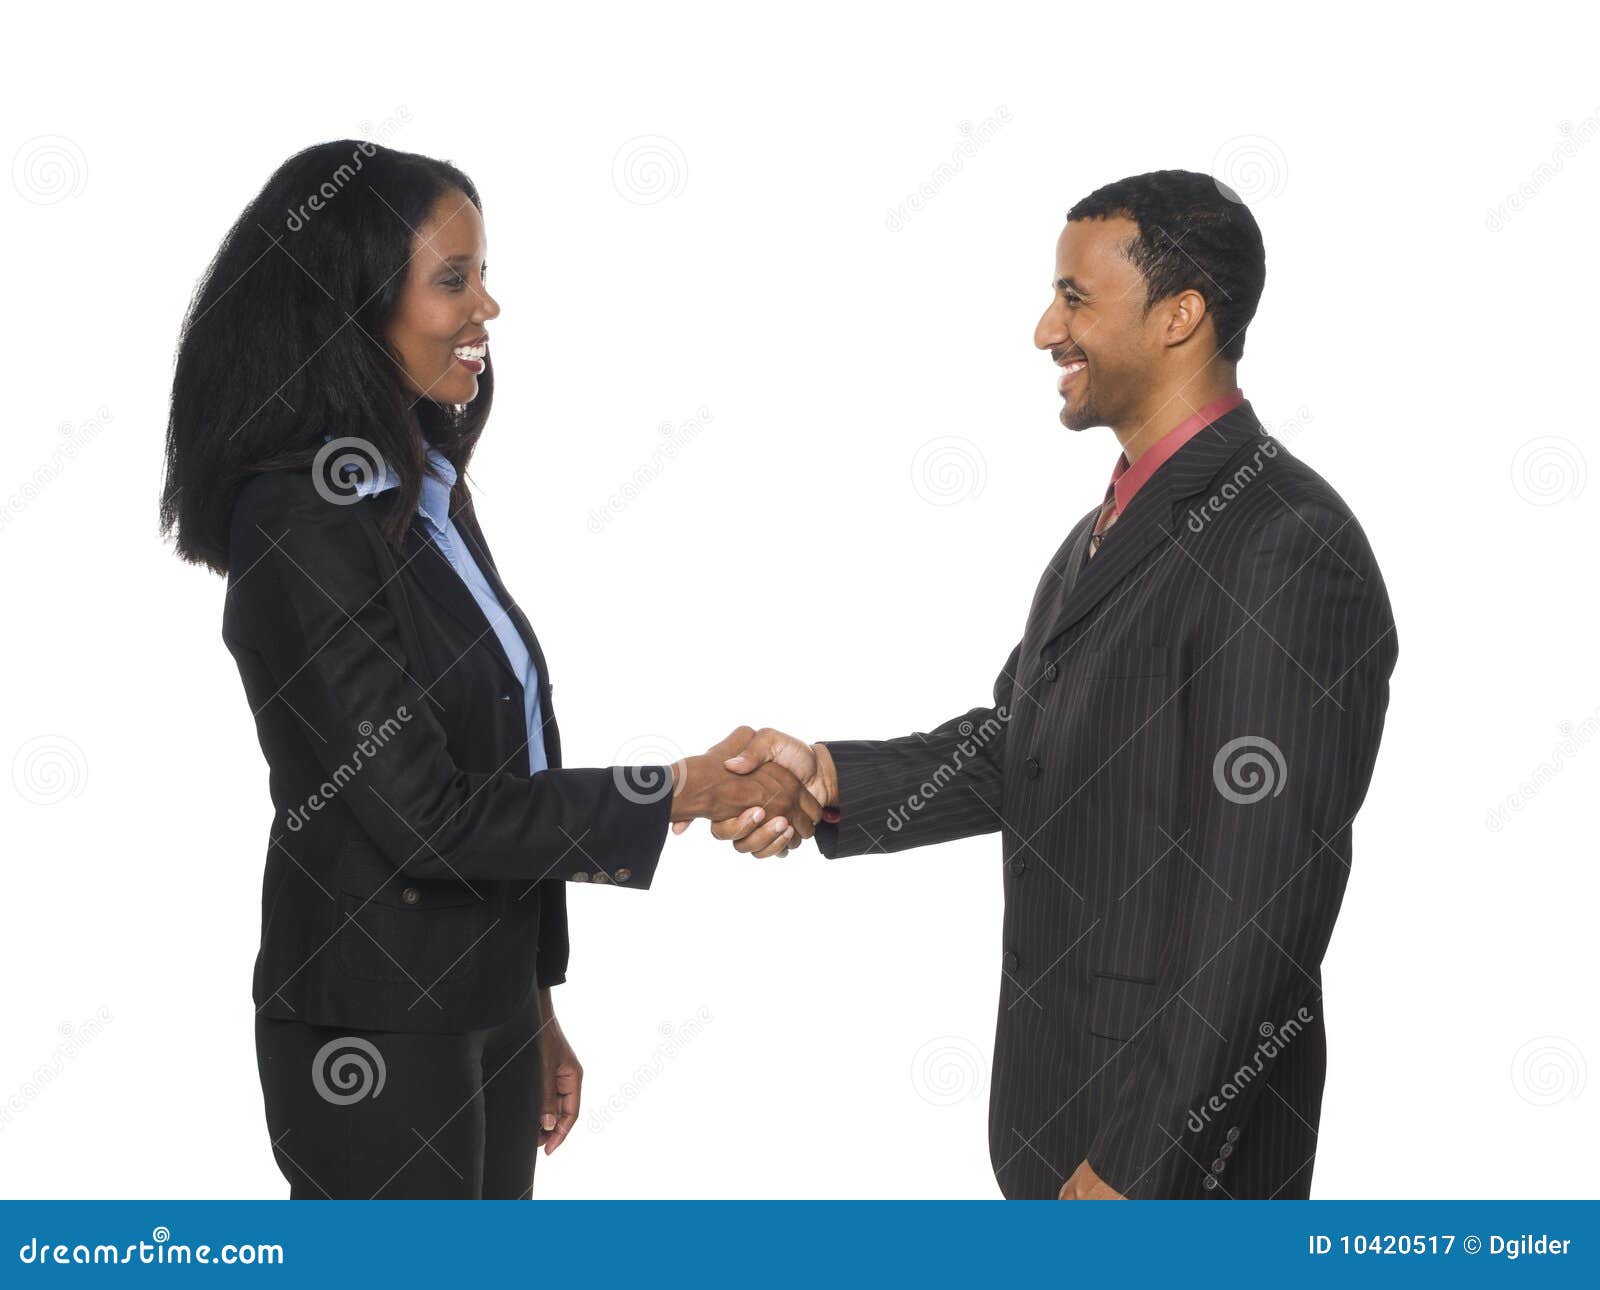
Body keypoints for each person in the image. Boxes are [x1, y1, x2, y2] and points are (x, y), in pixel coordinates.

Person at [695, 170, 1399, 1200]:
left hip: (1168, 1171)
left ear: (1179, 316)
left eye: (1074, 297)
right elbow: (1021, 745)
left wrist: (1133, 1165)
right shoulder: (1100, 534)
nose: (1043, 330)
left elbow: (1262, 904)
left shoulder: (1284, 544)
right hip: (1054, 1123)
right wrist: (826, 775)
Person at [159, 140, 820, 1199]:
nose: (488, 308)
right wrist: (678, 788)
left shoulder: (417, 490)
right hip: (374, 1027)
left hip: (484, 1005)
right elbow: (424, 815)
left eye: (482, 274)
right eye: (453, 280)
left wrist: (533, 998)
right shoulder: (302, 523)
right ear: (353, 305)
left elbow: (498, 754)